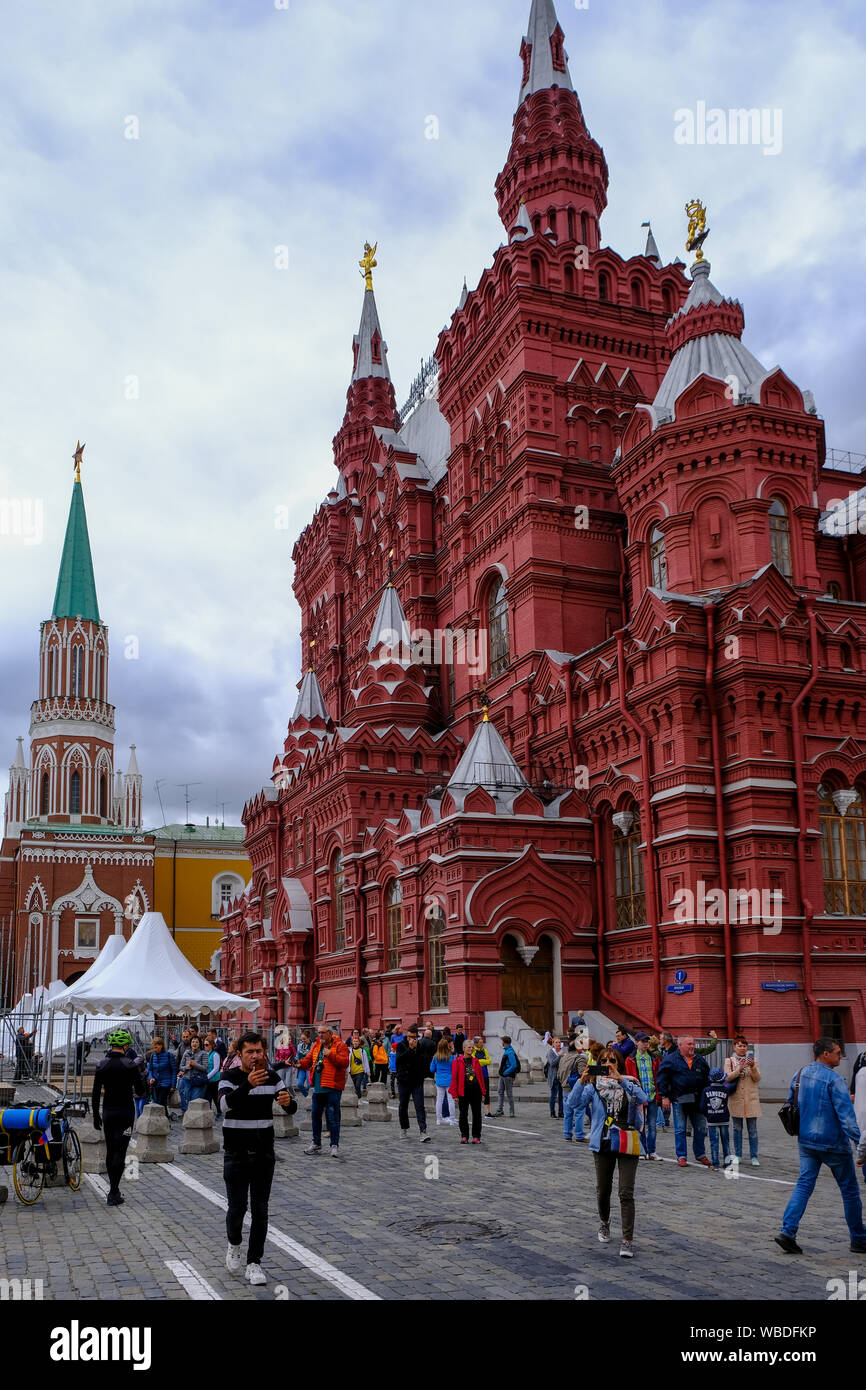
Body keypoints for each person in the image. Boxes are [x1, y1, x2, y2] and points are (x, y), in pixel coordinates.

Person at [776, 1037, 866, 1255]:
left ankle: (787, 1231)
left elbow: (791, 1102)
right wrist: (861, 1145)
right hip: (833, 1143)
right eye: (837, 1052)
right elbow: (847, 1119)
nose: (840, 1056)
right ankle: (859, 1238)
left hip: (806, 1141)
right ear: (825, 1054)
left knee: (804, 1185)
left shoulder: (799, 1074)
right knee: (850, 1191)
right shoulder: (835, 1080)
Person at [219, 1030, 296, 1285]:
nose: (254, 1056)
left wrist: (288, 1101)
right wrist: (248, 1084)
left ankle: (254, 1263)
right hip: (236, 1153)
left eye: (259, 1051)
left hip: (264, 1153)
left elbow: (289, 1105)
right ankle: (234, 1243)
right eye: (249, 1052)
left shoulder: (272, 1077)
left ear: (265, 1052)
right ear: (239, 1053)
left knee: (260, 1211)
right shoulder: (229, 1077)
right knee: (237, 1207)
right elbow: (224, 1105)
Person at [564, 1047, 648, 1257]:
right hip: (602, 1141)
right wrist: (582, 1081)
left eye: (612, 1060)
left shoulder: (629, 1083)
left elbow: (644, 1098)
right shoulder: (593, 1085)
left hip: (627, 1140)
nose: (608, 1064)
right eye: (603, 1061)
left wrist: (622, 1080)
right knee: (603, 1189)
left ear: (618, 1063)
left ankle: (627, 1239)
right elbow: (573, 1104)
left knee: (626, 1192)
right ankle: (604, 1222)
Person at [91, 1027, 147, 1207]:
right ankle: (114, 1190)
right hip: (125, 1112)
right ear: (125, 1046)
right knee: (121, 1151)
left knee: (110, 1149)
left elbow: (94, 1093)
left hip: (108, 1111)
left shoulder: (101, 1064)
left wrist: (95, 1116)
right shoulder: (130, 1065)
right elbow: (140, 1090)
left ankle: (112, 1190)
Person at [656, 1035, 712, 1167]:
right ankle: (681, 1156)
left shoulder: (699, 1060)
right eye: (689, 1044)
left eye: (693, 1044)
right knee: (680, 1129)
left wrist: (708, 1094)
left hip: (697, 1100)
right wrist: (664, 1096)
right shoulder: (670, 1059)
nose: (692, 1046)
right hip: (678, 1099)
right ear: (680, 1045)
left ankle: (700, 1154)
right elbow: (662, 1078)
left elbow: (707, 1077)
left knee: (700, 1128)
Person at [296, 1025, 350, 1156]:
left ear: (330, 1033)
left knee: (333, 1117)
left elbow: (345, 1062)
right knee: (315, 1115)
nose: (319, 1035)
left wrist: (330, 1054)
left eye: (322, 1033)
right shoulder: (316, 1045)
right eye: (318, 1033)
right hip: (318, 1087)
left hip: (333, 1087)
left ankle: (334, 1145)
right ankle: (316, 1143)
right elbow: (308, 1060)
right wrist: (299, 1063)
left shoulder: (340, 1045)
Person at [723, 1037, 762, 1166]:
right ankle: (738, 1154)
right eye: (739, 1046)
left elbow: (757, 1078)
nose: (742, 1048)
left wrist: (752, 1067)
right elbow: (727, 1078)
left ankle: (754, 1156)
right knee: (737, 1128)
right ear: (734, 1047)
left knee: (753, 1130)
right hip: (736, 1099)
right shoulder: (729, 1061)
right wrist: (739, 1069)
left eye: (744, 1046)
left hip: (751, 1100)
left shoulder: (753, 1061)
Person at [626, 1033, 662, 1160]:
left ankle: (652, 1151)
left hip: (652, 1095)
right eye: (643, 1041)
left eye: (647, 1042)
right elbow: (629, 1078)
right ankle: (642, 1150)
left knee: (652, 1125)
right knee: (640, 1124)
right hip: (639, 1097)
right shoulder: (630, 1059)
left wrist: (659, 1094)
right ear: (636, 1043)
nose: (645, 1044)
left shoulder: (654, 1058)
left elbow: (658, 1076)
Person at [395, 1028, 431, 1141]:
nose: (412, 1039)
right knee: (403, 1105)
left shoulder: (420, 1047)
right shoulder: (401, 1046)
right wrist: (410, 1049)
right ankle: (403, 1127)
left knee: (420, 1106)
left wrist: (415, 1050)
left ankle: (423, 1131)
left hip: (417, 1081)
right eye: (410, 1037)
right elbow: (399, 1060)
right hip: (404, 1081)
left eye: (414, 1037)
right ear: (407, 1037)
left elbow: (424, 1061)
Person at [700, 1067, 737, 1168]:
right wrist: (737, 1076)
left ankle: (715, 1162)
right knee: (726, 1142)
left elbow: (702, 1106)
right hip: (724, 1119)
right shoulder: (725, 1089)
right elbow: (733, 1085)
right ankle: (728, 1162)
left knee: (714, 1142)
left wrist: (707, 1114)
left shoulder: (706, 1090)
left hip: (712, 1120)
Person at [450, 1040, 486, 1143]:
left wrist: (483, 1092)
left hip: (476, 1091)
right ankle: (464, 1135)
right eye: (469, 1047)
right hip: (463, 1092)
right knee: (463, 1114)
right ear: (464, 1048)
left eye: (472, 1047)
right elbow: (454, 1079)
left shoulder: (476, 1061)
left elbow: (480, 1078)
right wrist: (454, 1094)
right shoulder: (457, 1061)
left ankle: (476, 1136)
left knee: (477, 1114)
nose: (471, 1049)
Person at [560, 1041, 588, 1141]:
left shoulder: (563, 1058)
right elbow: (583, 1074)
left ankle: (567, 1134)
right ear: (577, 1048)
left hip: (564, 1088)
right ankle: (579, 1135)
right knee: (579, 1111)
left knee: (567, 1113)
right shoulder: (580, 1058)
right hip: (576, 1088)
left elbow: (559, 1074)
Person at [146, 1036, 177, 1118]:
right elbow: (150, 1069)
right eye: (153, 1047)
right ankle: (165, 1120)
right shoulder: (153, 1056)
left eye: (156, 1047)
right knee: (160, 1103)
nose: (155, 1049)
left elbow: (174, 1070)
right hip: (156, 1083)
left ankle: (163, 1120)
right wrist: (151, 1077)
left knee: (160, 1102)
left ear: (161, 1046)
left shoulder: (169, 1055)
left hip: (166, 1083)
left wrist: (173, 1085)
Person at [178, 1036, 209, 1111]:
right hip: (186, 1079)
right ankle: (185, 1114)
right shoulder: (186, 1052)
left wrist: (195, 1064)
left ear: (199, 1044)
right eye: (193, 1042)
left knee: (194, 1100)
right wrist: (186, 1067)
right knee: (185, 1099)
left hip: (197, 1080)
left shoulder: (203, 1053)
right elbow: (181, 1066)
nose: (194, 1043)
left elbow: (205, 1068)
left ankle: (193, 1115)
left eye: (196, 1042)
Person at [491, 1034, 519, 1118]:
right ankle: (500, 1110)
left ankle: (511, 1111)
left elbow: (514, 1065)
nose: (501, 1043)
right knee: (500, 1092)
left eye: (502, 1041)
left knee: (509, 1093)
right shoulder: (507, 1050)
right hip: (503, 1076)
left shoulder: (510, 1052)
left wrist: (506, 1072)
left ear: (505, 1043)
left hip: (507, 1076)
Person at [430, 1039, 457, 1126]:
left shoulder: (435, 1057)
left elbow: (432, 1069)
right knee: (451, 1101)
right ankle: (452, 1119)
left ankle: (439, 1119)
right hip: (449, 1080)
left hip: (439, 1080)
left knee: (439, 1100)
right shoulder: (451, 1057)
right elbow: (455, 1067)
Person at [472, 1036, 494, 1119]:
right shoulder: (473, 1051)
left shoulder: (485, 1051)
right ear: (476, 1043)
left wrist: (480, 1061)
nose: (482, 1044)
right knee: (477, 1093)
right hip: (476, 1075)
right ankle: (476, 1112)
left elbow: (489, 1061)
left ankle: (487, 1113)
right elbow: (474, 1061)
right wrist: (483, 1061)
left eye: (482, 1042)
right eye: (480, 1042)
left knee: (486, 1093)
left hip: (485, 1075)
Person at [546, 1036, 565, 1118]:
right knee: (553, 1095)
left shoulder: (561, 1052)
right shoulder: (550, 1052)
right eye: (556, 1042)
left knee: (562, 1095)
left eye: (559, 1042)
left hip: (561, 1077)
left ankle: (561, 1112)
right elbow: (552, 1063)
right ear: (553, 1044)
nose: (558, 1044)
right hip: (554, 1077)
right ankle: (552, 1112)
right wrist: (559, 1056)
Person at [348, 1030, 370, 1098]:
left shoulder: (363, 1051)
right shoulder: (349, 1051)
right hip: (352, 1071)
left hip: (360, 1071)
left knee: (358, 1085)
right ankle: (356, 1098)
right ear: (352, 1042)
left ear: (359, 1042)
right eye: (354, 1041)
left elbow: (366, 1061)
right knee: (355, 1086)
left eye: (357, 1041)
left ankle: (359, 1098)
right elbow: (347, 1061)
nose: (355, 1043)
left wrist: (368, 1071)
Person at [388, 1021, 406, 1098]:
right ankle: (393, 1093)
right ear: (397, 1029)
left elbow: (406, 1045)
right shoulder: (393, 1036)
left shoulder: (404, 1036)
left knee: (400, 1079)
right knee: (392, 1080)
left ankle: (401, 1092)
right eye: (401, 1028)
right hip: (394, 1054)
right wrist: (393, 1050)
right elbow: (391, 1045)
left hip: (402, 1056)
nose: (402, 1029)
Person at [294, 1030, 312, 1096]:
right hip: (301, 1067)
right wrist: (295, 1063)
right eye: (302, 1039)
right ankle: (306, 1095)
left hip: (309, 1067)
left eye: (304, 1039)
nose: (303, 1040)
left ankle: (311, 1097)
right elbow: (297, 1056)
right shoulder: (300, 1045)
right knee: (299, 1084)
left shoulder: (312, 1045)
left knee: (309, 1084)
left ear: (308, 1038)